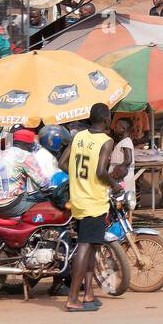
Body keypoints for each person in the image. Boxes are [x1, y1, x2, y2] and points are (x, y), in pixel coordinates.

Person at [65, 104, 128, 312]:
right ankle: (73, 297)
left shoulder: (78, 136)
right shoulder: (106, 141)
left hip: (78, 198)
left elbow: (62, 163)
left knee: (93, 245)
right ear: (107, 120)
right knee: (85, 246)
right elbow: (101, 171)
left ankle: (88, 293)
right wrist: (115, 185)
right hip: (93, 200)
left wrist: (78, 179)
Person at [0, 129, 48, 214]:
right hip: (7, 206)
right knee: (45, 199)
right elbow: (43, 182)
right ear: (29, 144)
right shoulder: (25, 156)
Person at [109, 116, 137, 210]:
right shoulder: (123, 142)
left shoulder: (126, 142)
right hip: (120, 176)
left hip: (122, 177)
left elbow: (128, 160)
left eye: (117, 126)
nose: (114, 128)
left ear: (123, 128)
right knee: (121, 201)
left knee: (123, 201)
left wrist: (116, 172)